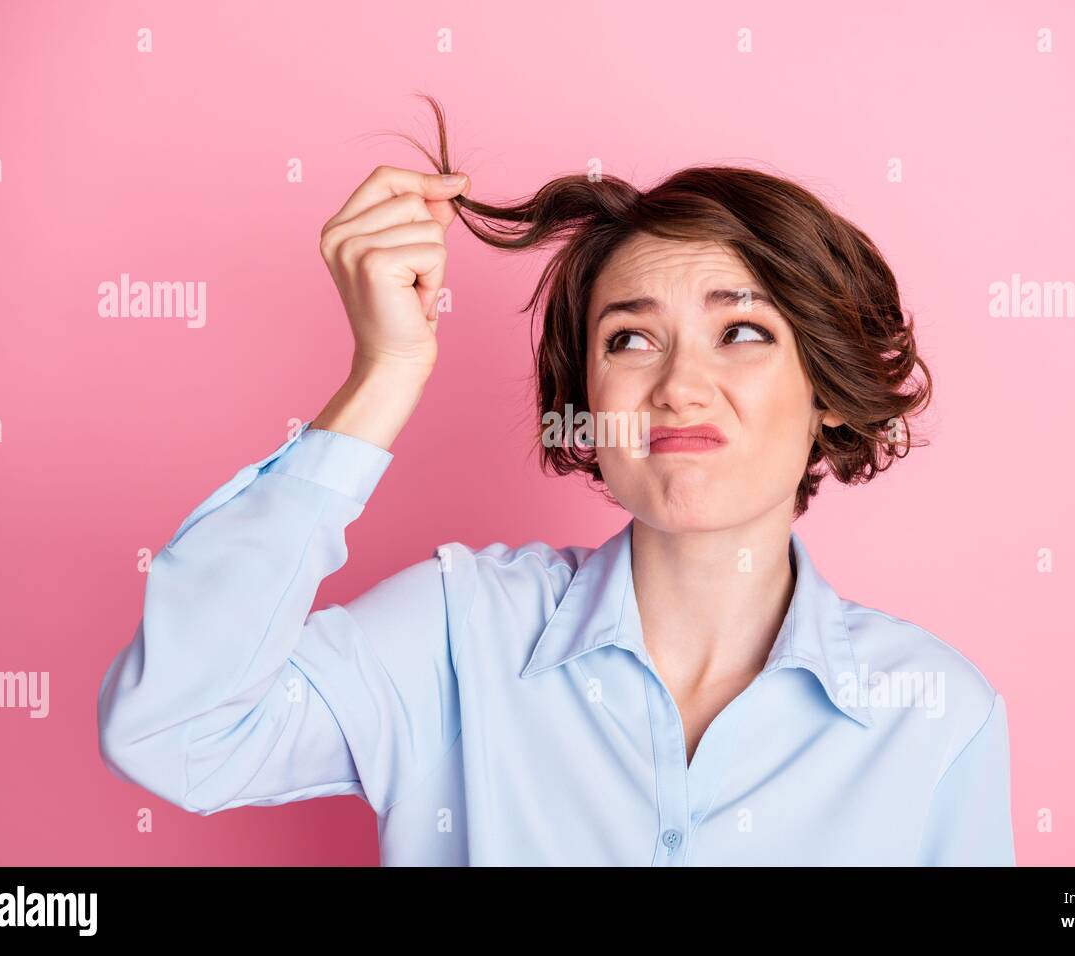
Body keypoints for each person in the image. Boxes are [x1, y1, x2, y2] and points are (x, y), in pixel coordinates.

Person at [97, 95, 1015, 866]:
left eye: (741, 332)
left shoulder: (935, 716)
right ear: (587, 402)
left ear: (828, 394)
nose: (679, 386)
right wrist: (381, 373)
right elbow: (175, 733)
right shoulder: (455, 635)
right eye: (630, 338)